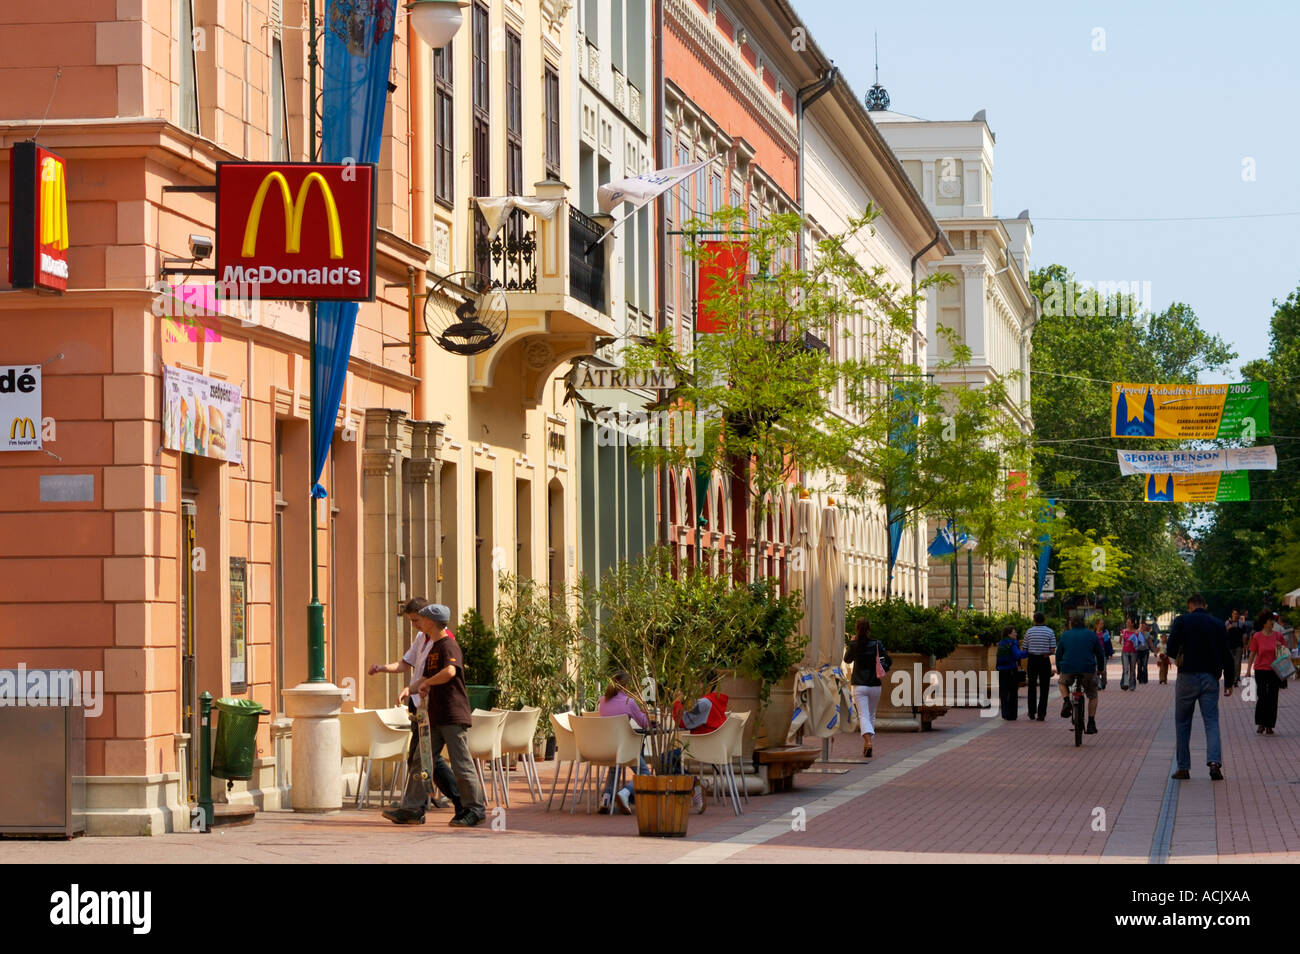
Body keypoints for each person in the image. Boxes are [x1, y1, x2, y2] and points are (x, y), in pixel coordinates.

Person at [380, 603, 486, 826]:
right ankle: (412, 809)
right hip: (434, 715)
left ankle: (474, 809)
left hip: (452, 714)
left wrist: (427, 682)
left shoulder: (449, 646)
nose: (420, 623)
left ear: (431, 622)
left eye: (422, 619)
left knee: (461, 763)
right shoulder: (434, 647)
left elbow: (449, 672)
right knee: (421, 761)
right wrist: (411, 689)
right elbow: (425, 677)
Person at [367, 597, 461, 819]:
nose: (415, 625)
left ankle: (455, 801)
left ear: (429, 619)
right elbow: (406, 664)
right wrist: (382, 668)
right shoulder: (422, 638)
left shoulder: (445, 642)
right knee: (420, 759)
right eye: (411, 621)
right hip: (419, 704)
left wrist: (416, 688)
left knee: (428, 759)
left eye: (417, 620)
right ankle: (420, 806)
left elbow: (444, 672)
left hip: (431, 705)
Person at [1166, 593, 1235, 781]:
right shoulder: (1217, 624)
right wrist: (1229, 681)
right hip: (1210, 677)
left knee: (1182, 723)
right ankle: (1214, 763)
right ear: (1205, 605)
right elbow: (1226, 654)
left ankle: (1183, 768)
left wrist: (1179, 653)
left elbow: (1170, 649)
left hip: (1186, 676)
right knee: (1211, 722)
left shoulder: (1182, 621)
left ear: (1190, 606)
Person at [597, 672, 649, 814]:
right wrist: (646, 713)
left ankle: (606, 798)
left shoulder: (602, 701)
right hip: (624, 748)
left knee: (615, 768)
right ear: (626, 686)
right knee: (645, 773)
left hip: (606, 748)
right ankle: (625, 792)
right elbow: (644, 724)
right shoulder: (629, 702)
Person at [844, 617, 892, 755]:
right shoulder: (877, 644)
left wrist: (851, 643)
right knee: (871, 715)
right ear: (869, 629)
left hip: (859, 684)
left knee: (863, 715)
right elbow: (888, 660)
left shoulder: (855, 644)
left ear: (857, 629)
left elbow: (847, 660)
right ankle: (868, 742)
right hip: (875, 684)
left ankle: (868, 742)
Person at [1056, 613, 1106, 734]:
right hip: (1088, 669)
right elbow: (1100, 653)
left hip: (1068, 668)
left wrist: (1059, 668)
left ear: (1071, 623)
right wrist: (1100, 669)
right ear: (1084, 623)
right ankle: (1091, 722)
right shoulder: (1091, 635)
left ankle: (1067, 701)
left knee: (1062, 683)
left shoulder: (1065, 635)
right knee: (1093, 695)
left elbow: (1059, 654)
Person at [1245, 611, 1287, 735]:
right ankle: (1261, 723)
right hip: (1261, 670)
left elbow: (1286, 652)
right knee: (1262, 696)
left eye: (1273, 620)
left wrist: (1280, 647)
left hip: (1275, 671)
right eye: (1270, 620)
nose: (1272, 622)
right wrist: (1248, 670)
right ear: (1264, 622)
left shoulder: (1278, 636)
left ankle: (1269, 725)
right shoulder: (1257, 636)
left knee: (1273, 697)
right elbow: (1252, 653)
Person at [1023, 612, 1056, 721]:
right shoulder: (1050, 632)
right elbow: (1052, 650)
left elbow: (1025, 649)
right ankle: (1041, 714)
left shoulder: (1029, 632)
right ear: (1044, 620)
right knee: (1044, 687)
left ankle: (1031, 712)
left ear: (1034, 620)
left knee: (1031, 686)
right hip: (1044, 660)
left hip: (1032, 660)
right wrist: (1046, 653)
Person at [996, 625, 1028, 720]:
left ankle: (1005, 713)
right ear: (1009, 634)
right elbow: (1017, 655)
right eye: (1014, 632)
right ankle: (1012, 714)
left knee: (1004, 692)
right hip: (1011, 670)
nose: (1016, 634)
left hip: (1001, 670)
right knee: (1013, 692)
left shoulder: (1001, 643)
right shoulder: (1012, 643)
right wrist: (1026, 652)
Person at [1119, 616, 1140, 691]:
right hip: (1125, 651)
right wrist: (1121, 638)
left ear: (1133, 623)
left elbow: (1140, 643)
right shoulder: (1123, 631)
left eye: (1129, 622)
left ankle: (1132, 685)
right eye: (1126, 622)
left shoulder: (1137, 632)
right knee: (1125, 669)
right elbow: (1120, 642)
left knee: (1132, 669)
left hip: (1133, 652)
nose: (1127, 623)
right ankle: (1125, 684)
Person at [1094, 616, 1113, 689]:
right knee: (1096, 669)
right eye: (1100, 624)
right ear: (1097, 625)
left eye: (1103, 624)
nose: (1102, 625)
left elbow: (1108, 643)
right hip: (1095, 653)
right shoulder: (1093, 633)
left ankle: (1103, 682)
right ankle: (1098, 684)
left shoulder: (1105, 632)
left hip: (1103, 653)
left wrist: (1110, 653)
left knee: (1103, 670)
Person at [1136, 619, 1154, 684]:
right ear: (1139, 626)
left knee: (1145, 665)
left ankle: (1145, 679)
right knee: (1139, 665)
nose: (1142, 627)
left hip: (1145, 651)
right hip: (1138, 651)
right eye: (1141, 626)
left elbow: (1150, 642)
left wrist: (1153, 650)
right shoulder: (1136, 633)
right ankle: (1140, 678)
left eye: (1144, 626)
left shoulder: (1147, 633)